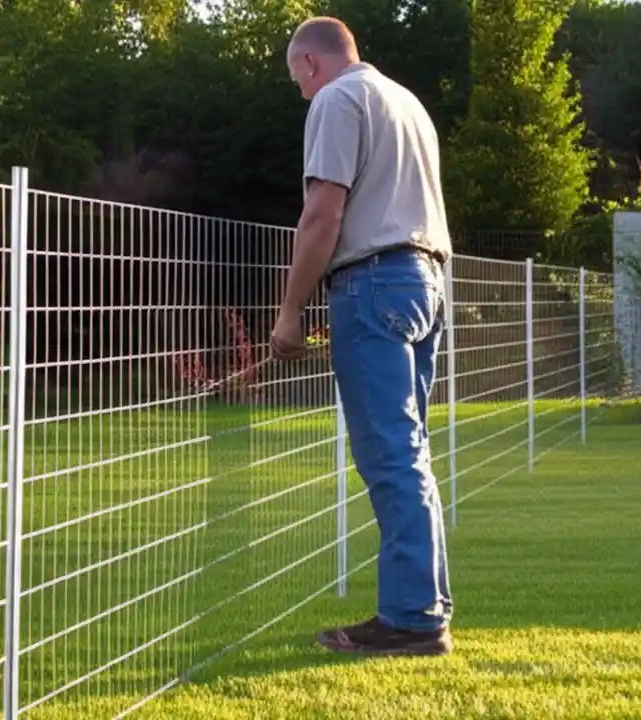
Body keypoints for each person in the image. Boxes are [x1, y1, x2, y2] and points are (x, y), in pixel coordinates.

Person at [270, 16, 455, 656]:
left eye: (297, 77)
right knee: (411, 452)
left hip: (374, 285)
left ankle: (412, 619)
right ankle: (425, 605)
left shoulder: (336, 98)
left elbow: (323, 211)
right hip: (425, 281)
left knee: (390, 456)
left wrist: (291, 310)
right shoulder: (407, 103)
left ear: (312, 63)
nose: (299, 90)